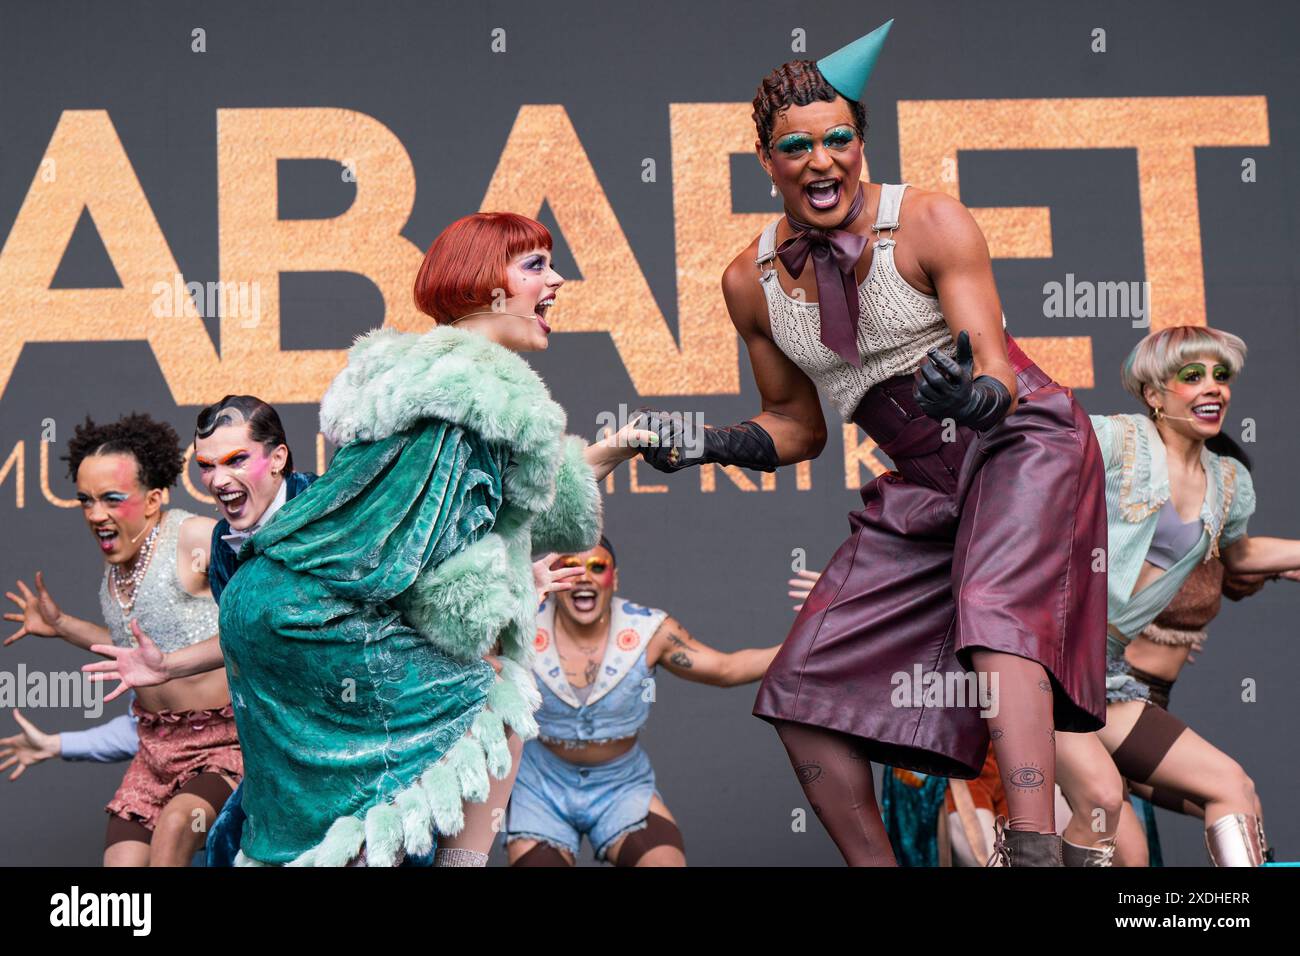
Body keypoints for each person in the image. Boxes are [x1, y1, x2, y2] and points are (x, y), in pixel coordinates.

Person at [635, 21, 1107, 866]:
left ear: (861, 142)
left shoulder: (927, 219)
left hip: (1021, 441)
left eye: (839, 139)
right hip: (926, 478)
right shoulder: (750, 280)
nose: (821, 162)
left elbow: (992, 368)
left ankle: (1035, 851)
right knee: (799, 687)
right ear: (766, 162)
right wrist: (705, 445)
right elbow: (798, 427)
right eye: (796, 147)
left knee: (996, 620)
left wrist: (968, 394)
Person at [170, 212, 646, 866]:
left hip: (272, 612)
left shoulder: (439, 386)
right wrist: (506, 598)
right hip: (307, 621)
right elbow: (420, 579)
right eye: (535, 265)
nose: (557, 279)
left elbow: (506, 512)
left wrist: (608, 455)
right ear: (487, 286)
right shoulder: (465, 395)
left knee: (351, 811)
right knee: (494, 695)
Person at [1056, 326, 1300, 867]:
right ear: (1153, 394)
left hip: (1102, 675)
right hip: (1039, 660)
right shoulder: (1117, 439)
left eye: (1221, 375)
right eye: (1192, 376)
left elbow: (1239, 558)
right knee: (1107, 816)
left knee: (1232, 787)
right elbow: (1019, 467)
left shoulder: (1229, 481)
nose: (1213, 387)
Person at [79, 395, 318, 865]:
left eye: (235, 460)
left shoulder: (318, 516)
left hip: (245, 739)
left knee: (177, 830)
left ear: (278, 459)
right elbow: (235, 634)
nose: (218, 479)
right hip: (161, 746)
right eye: (207, 465)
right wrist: (163, 664)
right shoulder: (223, 546)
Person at [3, 414, 238, 866]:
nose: (95, 514)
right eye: (86, 500)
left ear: (153, 500)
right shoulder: (115, 573)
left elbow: (260, 593)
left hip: (223, 748)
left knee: (175, 826)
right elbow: (132, 652)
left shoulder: (192, 537)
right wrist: (61, 625)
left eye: (112, 498)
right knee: (122, 866)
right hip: (154, 752)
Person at [504, 537, 781, 866]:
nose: (584, 578)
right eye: (571, 568)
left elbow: (726, 668)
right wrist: (516, 599)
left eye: (597, 567)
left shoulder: (650, 631)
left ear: (615, 579)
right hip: (540, 784)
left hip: (621, 784)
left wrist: (818, 638)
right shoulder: (519, 626)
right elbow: (464, 661)